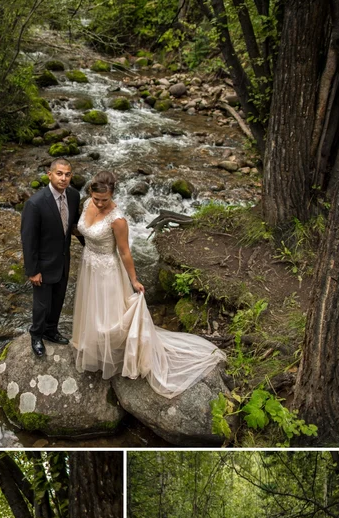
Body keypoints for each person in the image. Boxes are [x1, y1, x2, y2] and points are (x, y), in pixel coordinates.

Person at [70, 172, 225, 395]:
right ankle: (94, 349)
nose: (100, 203)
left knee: (108, 317)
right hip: (89, 264)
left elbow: (124, 252)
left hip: (107, 270)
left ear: (113, 194)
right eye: (96, 199)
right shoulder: (86, 204)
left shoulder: (118, 220)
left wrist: (134, 279)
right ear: (91, 194)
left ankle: (115, 354)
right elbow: (82, 231)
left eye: (105, 199)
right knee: (91, 311)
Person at [20, 157, 84, 357]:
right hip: (43, 263)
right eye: (59, 174)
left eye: (67, 174)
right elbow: (28, 239)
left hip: (63, 259)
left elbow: (74, 227)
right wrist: (33, 270)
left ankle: (51, 330)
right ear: (49, 175)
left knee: (58, 299)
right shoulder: (35, 203)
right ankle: (37, 335)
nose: (63, 178)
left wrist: (89, 245)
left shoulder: (74, 196)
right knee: (41, 304)